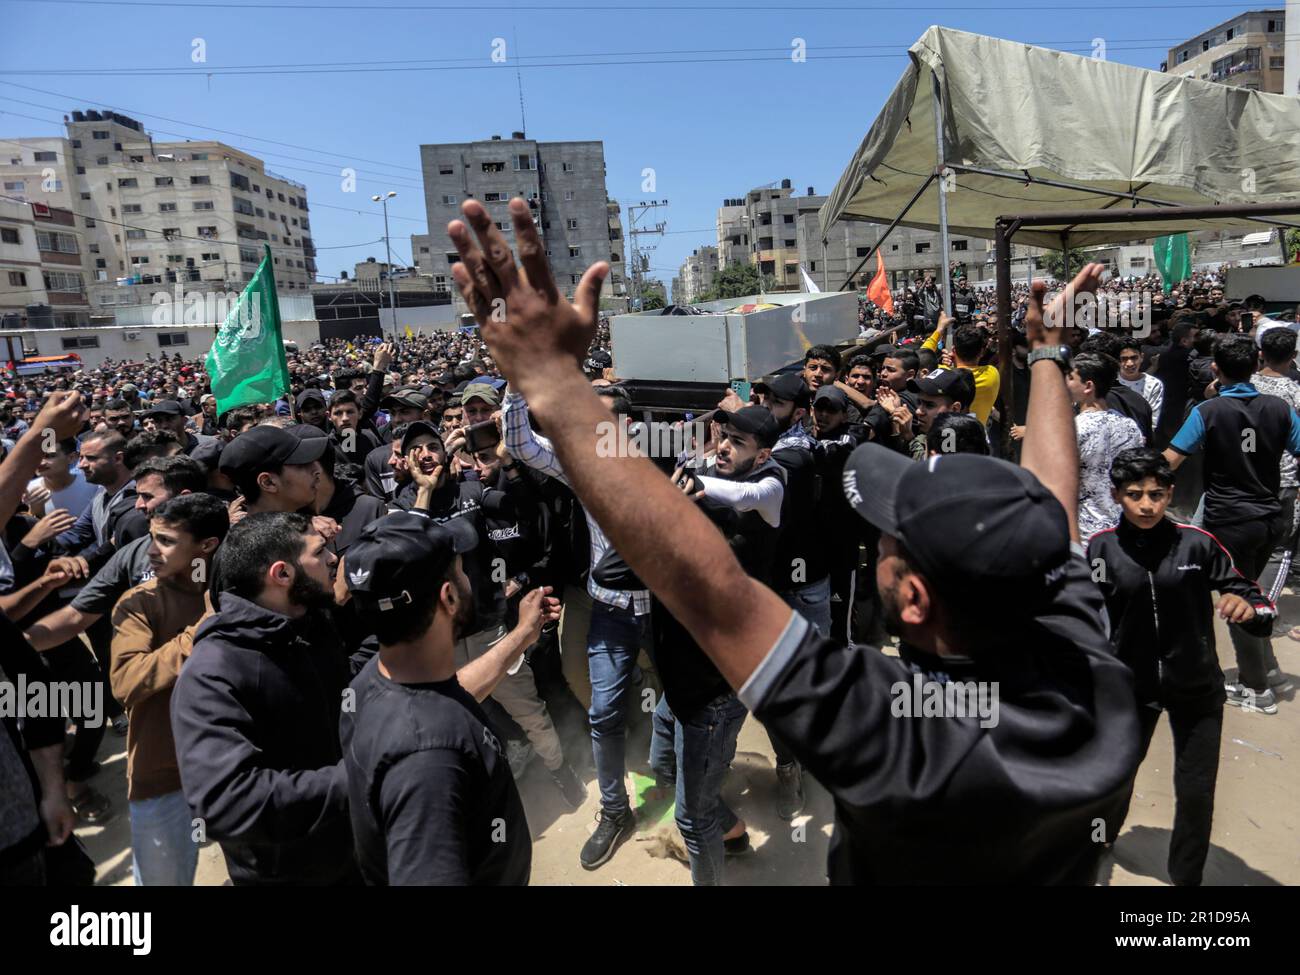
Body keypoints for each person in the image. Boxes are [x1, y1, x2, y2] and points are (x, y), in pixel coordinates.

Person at [448, 200, 1138, 883]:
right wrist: (1048, 353)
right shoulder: (1082, 657)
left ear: (918, 599)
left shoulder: (897, 733)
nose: (880, 541)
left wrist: (550, 382)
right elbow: (1052, 507)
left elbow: (711, 589)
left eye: (891, 535)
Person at [340, 512, 560, 885]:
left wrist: (524, 633)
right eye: (460, 570)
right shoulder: (428, 761)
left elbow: (446, 696)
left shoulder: (373, 680)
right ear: (449, 597)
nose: (467, 577)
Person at [1088, 449, 1274, 885]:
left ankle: (1185, 875)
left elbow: (1254, 598)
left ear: (1170, 492)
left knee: (1196, 793)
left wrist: (1248, 608)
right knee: (1112, 781)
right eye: (1134, 495)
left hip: (1196, 688)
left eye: (1156, 493)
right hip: (1129, 689)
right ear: (1117, 496)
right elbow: (1079, 609)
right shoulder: (1101, 549)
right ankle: (1098, 842)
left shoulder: (1198, 543)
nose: (1147, 505)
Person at [501, 384, 651, 869]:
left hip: (665, 616)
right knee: (604, 712)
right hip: (609, 613)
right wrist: (517, 385)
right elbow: (523, 445)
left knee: (679, 702)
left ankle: (679, 776)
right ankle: (614, 811)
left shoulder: (668, 463)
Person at [170, 512, 358, 886]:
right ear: (282, 574)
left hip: (356, 855)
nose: (333, 560)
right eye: (320, 552)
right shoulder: (213, 672)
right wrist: (360, 778)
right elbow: (226, 804)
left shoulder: (312, 623)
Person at [1164, 333, 1299, 713]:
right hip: (1270, 519)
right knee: (1252, 595)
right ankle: (1269, 669)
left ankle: (1256, 688)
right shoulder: (1279, 408)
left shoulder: (1207, 412)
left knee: (1237, 603)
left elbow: (1170, 460)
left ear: (1215, 370)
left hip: (1229, 524)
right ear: (1256, 364)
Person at [111, 493, 228, 886]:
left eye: (166, 540)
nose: (151, 551)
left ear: (207, 546)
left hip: (229, 767)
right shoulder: (140, 604)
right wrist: (200, 633)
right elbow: (126, 682)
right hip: (164, 774)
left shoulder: (231, 591)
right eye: (152, 537)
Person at [1068, 352, 1144, 540]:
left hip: (1085, 531)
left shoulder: (1074, 429)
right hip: (1124, 527)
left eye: (1070, 378)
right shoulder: (1130, 426)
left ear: (1088, 386)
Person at [1117, 337, 1164, 429]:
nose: (1129, 363)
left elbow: (1153, 419)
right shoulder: (1110, 381)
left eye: (1134, 358)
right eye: (1124, 359)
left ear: (1142, 357)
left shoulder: (1154, 384)